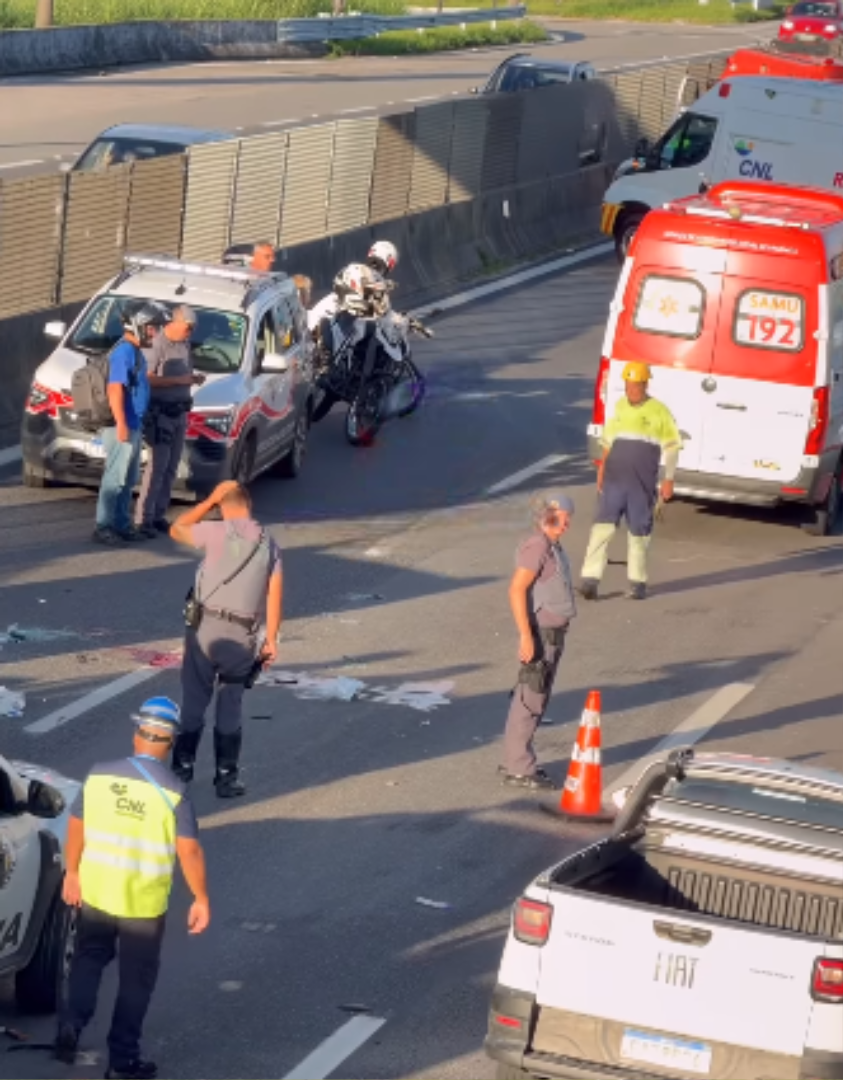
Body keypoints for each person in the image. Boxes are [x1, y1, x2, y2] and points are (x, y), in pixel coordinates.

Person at [55, 697, 210, 1080]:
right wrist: (200, 898)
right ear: (170, 743)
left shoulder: (99, 776)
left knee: (89, 957)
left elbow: (76, 827)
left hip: (96, 891)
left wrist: (72, 873)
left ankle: (71, 1024)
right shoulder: (174, 791)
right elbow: (188, 850)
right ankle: (123, 1061)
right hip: (142, 902)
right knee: (135, 979)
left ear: (137, 734)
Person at [169, 481, 283, 797]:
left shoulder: (216, 532)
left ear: (223, 506)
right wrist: (271, 640)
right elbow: (274, 594)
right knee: (231, 702)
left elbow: (177, 528)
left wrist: (208, 501)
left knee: (194, 699)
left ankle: (181, 769)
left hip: (205, 630)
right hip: (243, 635)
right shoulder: (268, 544)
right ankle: (226, 778)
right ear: (249, 505)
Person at [579, 361, 681, 602]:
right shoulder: (619, 407)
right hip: (614, 481)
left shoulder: (660, 411)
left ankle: (638, 583)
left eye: (636, 386)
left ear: (645, 385)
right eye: (628, 386)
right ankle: (590, 581)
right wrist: (601, 471)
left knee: (639, 533)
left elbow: (672, 446)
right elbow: (607, 443)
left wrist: (668, 479)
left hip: (641, 485)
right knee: (601, 529)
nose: (631, 391)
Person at [500, 496, 577, 792]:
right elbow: (516, 589)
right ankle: (519, 767)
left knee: (535, 696)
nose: (564, 524)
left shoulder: (551, 545)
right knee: (530, 698)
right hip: (541, 634)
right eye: (558, 518)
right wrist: (525, 635)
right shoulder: (538, 546)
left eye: (567, 519)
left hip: (551, 634)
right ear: (544, 517)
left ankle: (516, 760)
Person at [93, 302, 165, 547]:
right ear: (138, 326)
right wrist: (122, 423)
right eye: (152, 327)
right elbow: (115, 389)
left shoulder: (134, 351)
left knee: (128, 478)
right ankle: (104, 527)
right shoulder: (124, 352)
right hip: (121, 426)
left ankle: (122, 525)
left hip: (133, 424)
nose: (155, 333)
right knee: (115, 479)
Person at [134, 305, 205, 538]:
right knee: (157, 467)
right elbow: (147, 378)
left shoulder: (184, 344)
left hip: (179, 413)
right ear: (175, 322)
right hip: (160, 414)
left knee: (171, 468)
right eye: (188, 327)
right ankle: (143, 519)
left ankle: (158, 514)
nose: (190, 332)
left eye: (193, 328)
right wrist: (181, 380)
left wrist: (192, 379)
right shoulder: (157, 344)